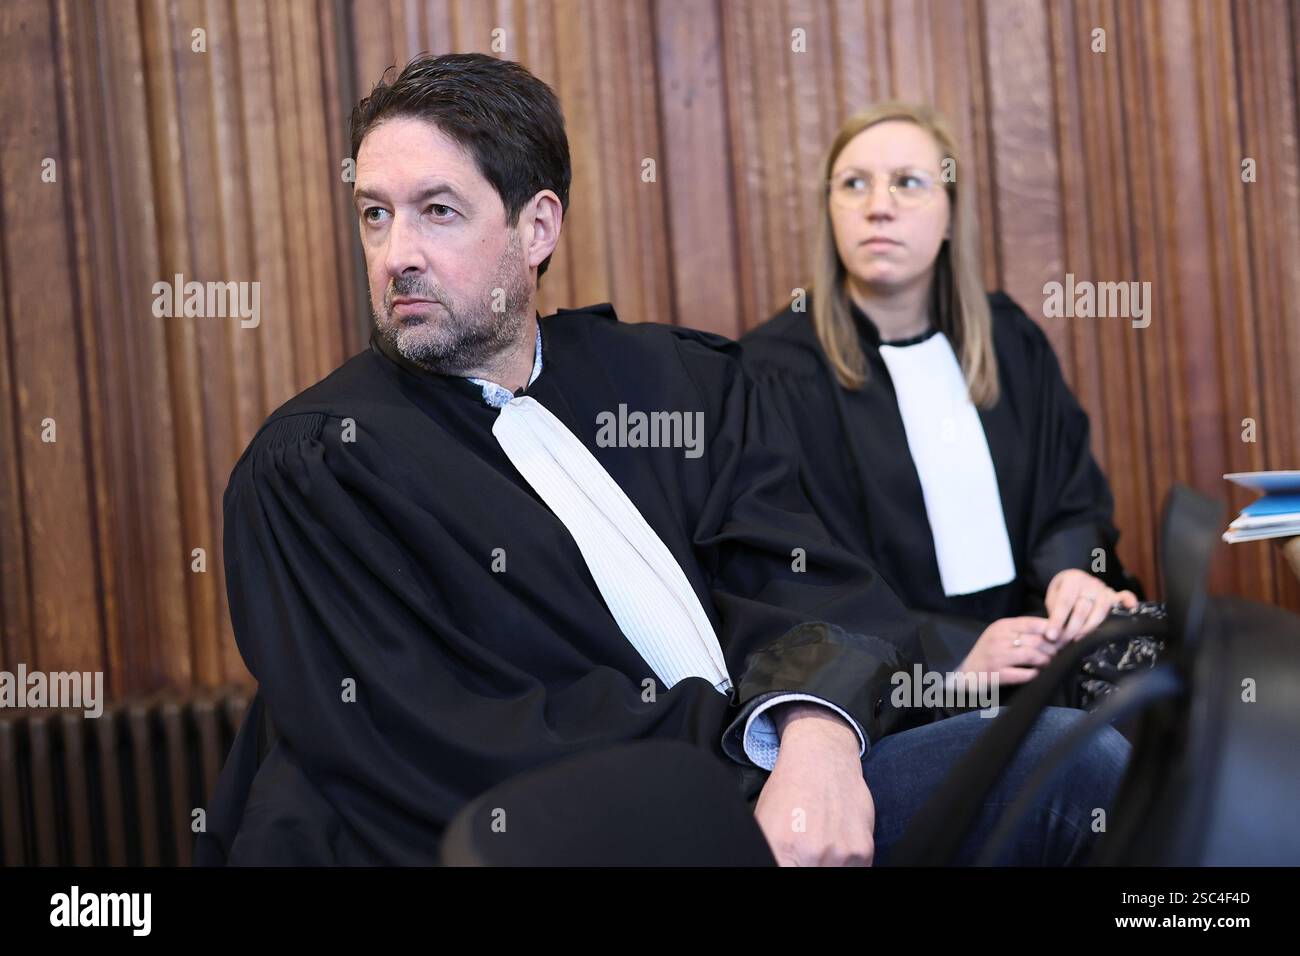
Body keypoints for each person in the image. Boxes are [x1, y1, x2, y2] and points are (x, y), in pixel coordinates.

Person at [196, 56, 1128, 867]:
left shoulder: (673, 383)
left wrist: (815, 733)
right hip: (589, 835)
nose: (397, 254)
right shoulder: (319, 467)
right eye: (375, 214)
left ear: (537, 228)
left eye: (438, 211)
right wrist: (750, 756)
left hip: (793, 765)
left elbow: (804, 576)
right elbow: (438, 737)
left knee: (1082, 762)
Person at [741, 102, 1145, 692]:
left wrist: (1072, 581)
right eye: (854, 184)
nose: (879, 206)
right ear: (829, 211)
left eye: (909, 182)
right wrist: (949, 659)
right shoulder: (773, 374)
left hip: (1043, 651)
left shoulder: (1010, 342)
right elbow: (795, 575)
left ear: (952, 215)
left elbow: (1069, 500)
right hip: (896, 691)